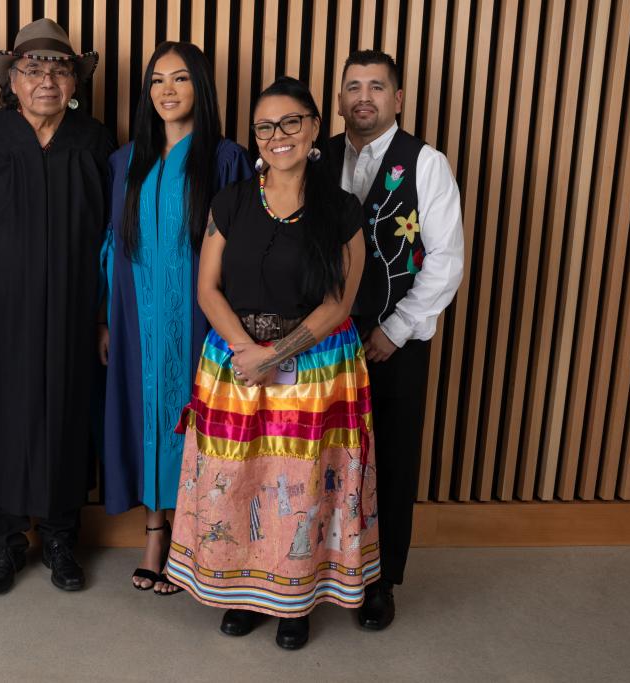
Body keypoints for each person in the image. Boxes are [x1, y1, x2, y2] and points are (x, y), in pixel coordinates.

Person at [166, 77, 377, 650]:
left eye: (290, 123)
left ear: (312, 128)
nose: (277, 135)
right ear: (254, 135)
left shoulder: (340, 209)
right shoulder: (230, 201)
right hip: (236, 364)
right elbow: (208, 288)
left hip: (312, 372)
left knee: (301, 486)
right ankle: (237, 591)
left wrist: (275, 356)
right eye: (265, 126)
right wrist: (245, 351)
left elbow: (340, 304)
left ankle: (294, 602)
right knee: (236, 482)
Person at [0, 19, 117, 595]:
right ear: (13, 80)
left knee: (66, 410)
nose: (47, 78)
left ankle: (60, 537)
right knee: (4, 413)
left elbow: (113, 234)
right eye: (33, 68)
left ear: (75, 79)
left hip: (77, 305)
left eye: (60, 68)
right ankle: (5, 541)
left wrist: (104, 314)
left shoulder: (96, 140)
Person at [99, 41, 252, 595]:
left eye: (181, 79)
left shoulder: (227, 159)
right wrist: (105, 320)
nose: (167, 90)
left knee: (199, 420)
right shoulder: (126, 161)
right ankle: (156, 536)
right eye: (157, 80)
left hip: (201, 321)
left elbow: (241, 248)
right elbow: (112, 248)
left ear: (201, 88)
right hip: (137, 318)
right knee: (147, 416)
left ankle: (198, 539)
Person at [328, 49, 464, 630]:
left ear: (398, 98)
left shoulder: (426, 163)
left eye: (377, 86)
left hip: (394, 341)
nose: (364, 96)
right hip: (323, 344)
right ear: (339, 99)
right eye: (353, 86)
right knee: (322, 458)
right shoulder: (314, 156)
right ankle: (318, 570)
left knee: (392, 460)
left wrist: (395, 329)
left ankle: (382, 581)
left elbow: (446, 261)